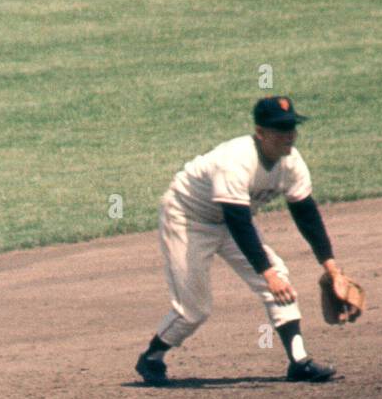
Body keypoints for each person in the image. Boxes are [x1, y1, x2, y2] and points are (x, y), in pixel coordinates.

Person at [136, 95, 348, 384]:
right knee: (194, 310)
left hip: (230, 221)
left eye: (292, 128)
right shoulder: (234, 161)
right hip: (187, 219)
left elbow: (306, 213)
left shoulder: (291, 162)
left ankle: (299, 361)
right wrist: (266, 273)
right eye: (280, 130)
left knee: (280, 281)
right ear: (260, 133)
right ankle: (152, 356)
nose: (289, 136)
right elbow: (239, 223)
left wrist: (331, 267)